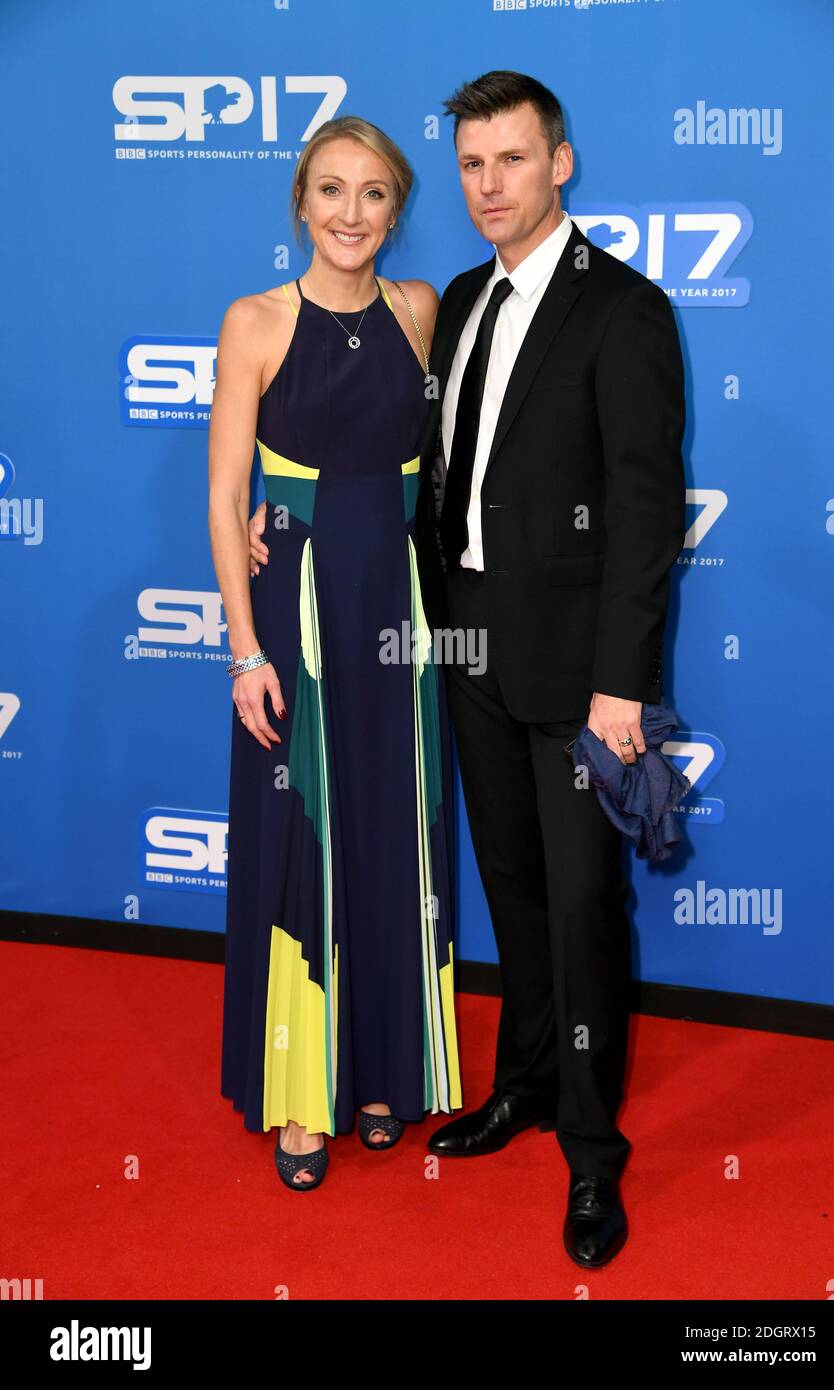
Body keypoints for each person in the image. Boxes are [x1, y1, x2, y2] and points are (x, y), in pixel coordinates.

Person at [415, 71, 685, 1269]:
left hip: (579, 672)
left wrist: (621, 688)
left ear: (559, 163)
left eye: (510, 161)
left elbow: (642, 514)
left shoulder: (621, 309)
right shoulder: (464, 294)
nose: (487, 187)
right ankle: (522, 1082)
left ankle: (590, 1152)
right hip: (466, 637)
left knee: (581, 907)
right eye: (471, 164)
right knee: (511, 885)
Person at [209, 116, 462, 1192]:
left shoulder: (419, 310)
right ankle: (298, 1095)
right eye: (329, 190)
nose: (350, 213)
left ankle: (382, 1075)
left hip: (397, 600)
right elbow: (226, 497)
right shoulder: (255, 321)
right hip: (298, 601)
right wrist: (243, 646)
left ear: (394, 210)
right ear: (300, 204)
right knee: (304, 827)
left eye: (371, 194)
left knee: (393, 828)